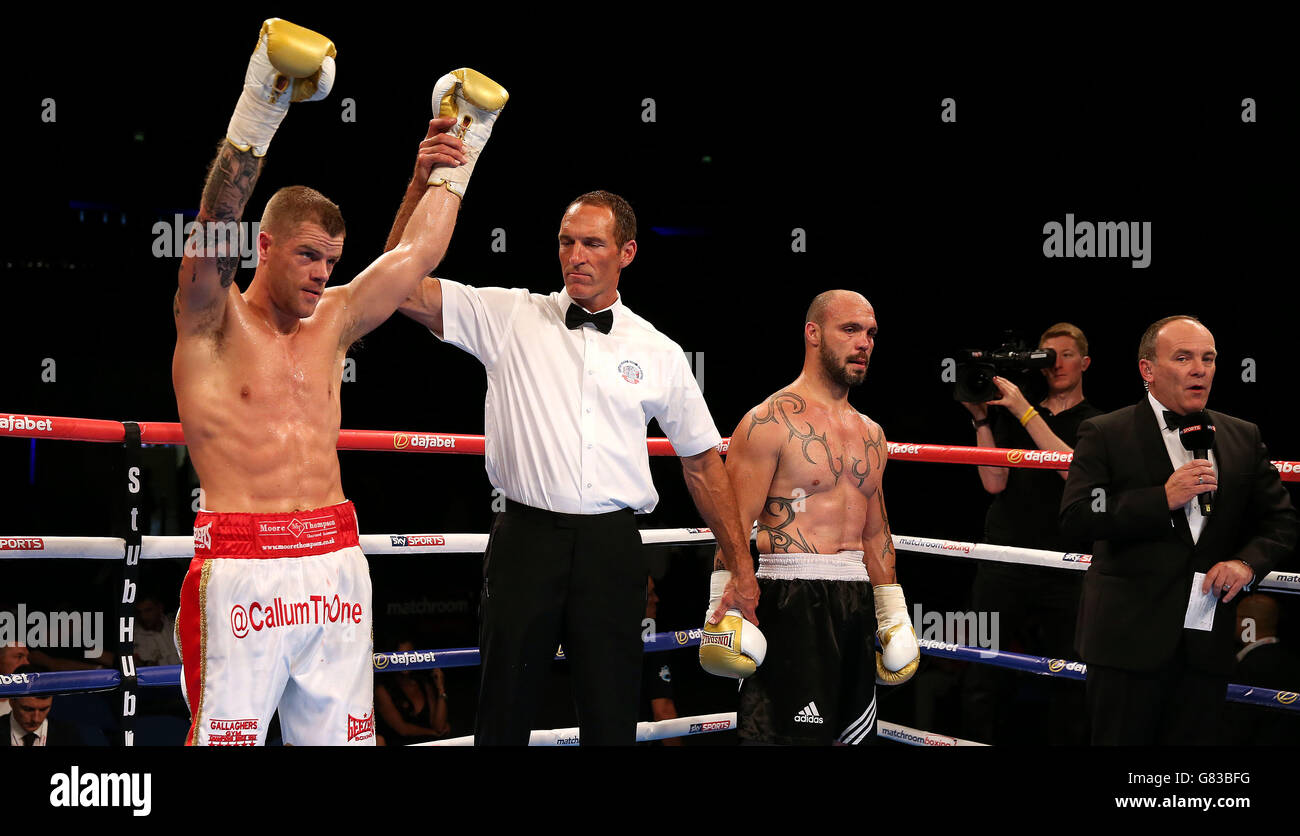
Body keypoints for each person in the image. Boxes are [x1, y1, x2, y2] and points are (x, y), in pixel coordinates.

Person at [171, 18, 506, 745]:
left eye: (332, 260)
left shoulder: (336, 318)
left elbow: (416, 255)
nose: (323, 275)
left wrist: (456, 158)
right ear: (264, 246)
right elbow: (215, 217)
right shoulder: (210, 322)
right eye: (308, 258)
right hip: (243, 562)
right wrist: (262, 104)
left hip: (334, 559)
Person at [393, 191, 757, 745]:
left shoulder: (658, 350)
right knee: (503, 713)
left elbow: (704, 464)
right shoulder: (510, 315)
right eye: (567, 242)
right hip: (525, 541)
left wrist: (741, 569)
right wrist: (423, 183)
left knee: (611, 717)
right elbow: (398, 285)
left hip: (611, 549)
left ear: (627, 252)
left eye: (593, 243)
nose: (576, 256)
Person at [1060, 315, 1297, 744]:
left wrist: (1247, 563)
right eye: (1183, 357)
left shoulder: (1242, 436)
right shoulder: (1106, 431)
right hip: (1126, 641)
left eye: (1208, 358)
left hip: (1205, 643)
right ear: (1147, 370)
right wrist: (1160, 498)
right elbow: (1077, 515)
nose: (1199, 369)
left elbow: (1280, 521)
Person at [715, 290, 919, 746]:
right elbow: (732, 525)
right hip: (789, 599)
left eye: (870, 333)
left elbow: (876, 531)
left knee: (851, 738)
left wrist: (892, 613)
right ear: (813, 334)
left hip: (856, 601)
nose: (864, 342)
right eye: (850, 330)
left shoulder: (872, 433)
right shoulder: (767, 421)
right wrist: (719, 609)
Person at [959, 323, 1101, 744]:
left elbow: (1071, 470)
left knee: (1070, 673)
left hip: (1064, 565)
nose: (1055, 363)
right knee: (982, 668)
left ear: (1085, 363)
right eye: (1047, 356)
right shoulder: (1014, 412)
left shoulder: (1096, 423)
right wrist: (983, 420)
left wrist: (1024, 411)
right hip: (1004, 558)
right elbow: (993, 482)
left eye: (1065, 355)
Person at [374, 638, 450, 747]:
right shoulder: (382, 688)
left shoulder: (423, 683)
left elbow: (439, 726)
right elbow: (402, 729)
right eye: (400, 656)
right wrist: (432, 733)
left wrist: (440, 688)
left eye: (409, 655)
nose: (406, 660)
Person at [2, 666, 83, 746]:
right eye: (28, 709)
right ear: (11, 701)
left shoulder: (69, 736)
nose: (35, 719)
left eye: (43, 709)